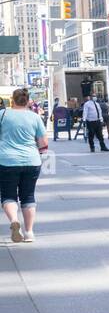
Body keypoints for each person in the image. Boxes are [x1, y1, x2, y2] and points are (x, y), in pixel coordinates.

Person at [0, 88, 49, 245]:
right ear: (28, 101)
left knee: (8, 195)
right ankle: (29, 233)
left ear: (12, 101)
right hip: (31, 161)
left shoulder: (2, 115)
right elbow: (43, 143)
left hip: (6, 161)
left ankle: (14, 221)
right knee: (28, 196)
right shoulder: (35, 117)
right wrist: (40, 154)